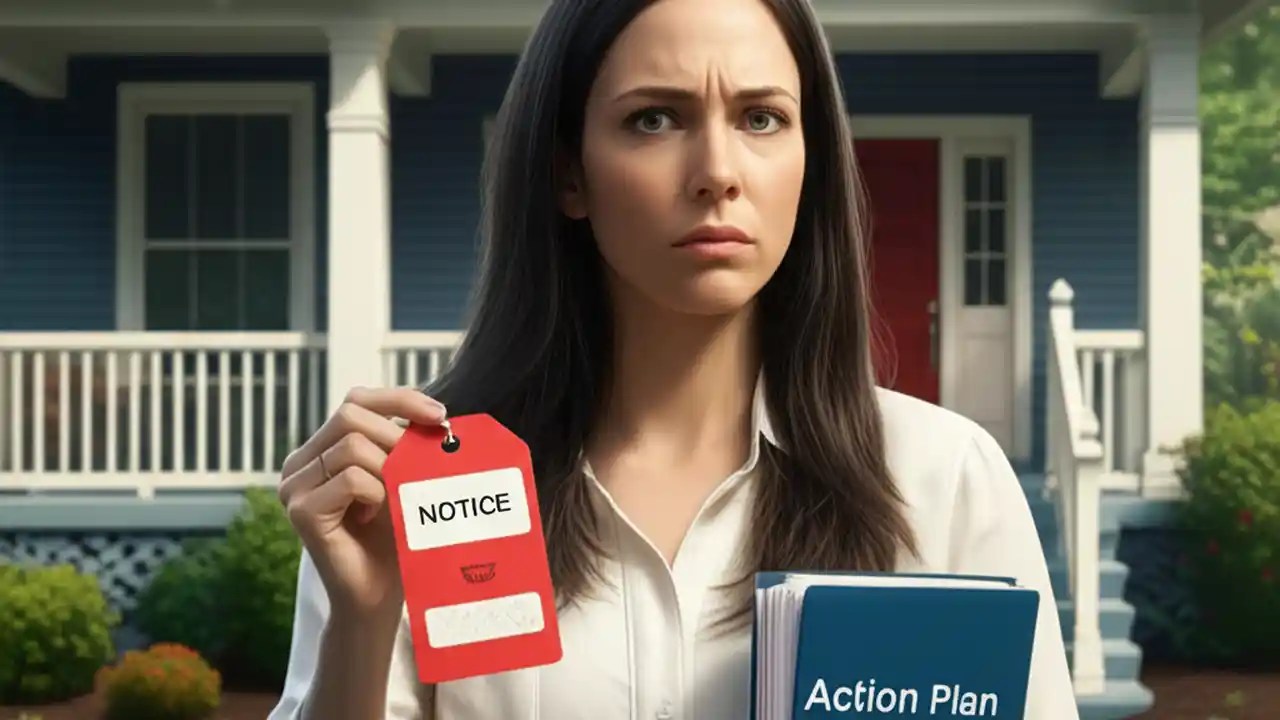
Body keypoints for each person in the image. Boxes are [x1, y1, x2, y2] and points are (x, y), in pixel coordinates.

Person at [269, 0, 1080, 717]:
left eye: (761, 118)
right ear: (568, 175)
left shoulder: (946, 482)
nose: (718, 175)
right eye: (655, 118)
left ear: (812, 159)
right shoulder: (427, 486)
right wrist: (364, 619)